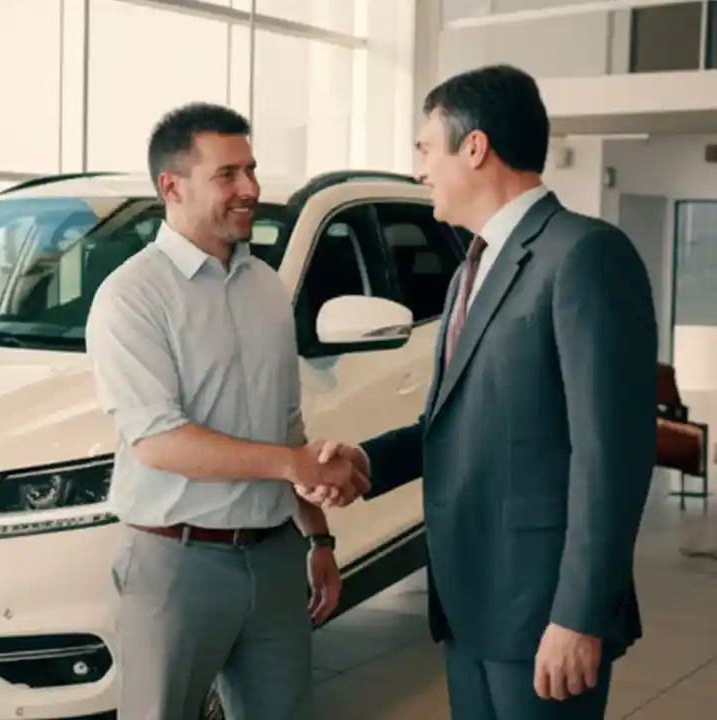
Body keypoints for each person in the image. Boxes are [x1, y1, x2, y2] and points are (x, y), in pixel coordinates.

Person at [307, 64, 658, 719]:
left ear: (474, 146)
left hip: (543, 610)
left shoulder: (584, 255)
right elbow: (457, 425)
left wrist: (579, 615)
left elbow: (612, 456)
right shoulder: (471, 267)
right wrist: (366, 461)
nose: (419, 170)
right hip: (470, 602)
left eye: (424, 149)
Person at [85, 102, 368, 719]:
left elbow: (285, 425)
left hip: (274, 559)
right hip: (177, 564)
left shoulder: (266, 287)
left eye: (251, 169)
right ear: (172, 187)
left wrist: (318, 537)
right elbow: (160, 441)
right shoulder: (132, 297)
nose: (250, 189)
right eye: (227, 174)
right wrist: (294, 463)